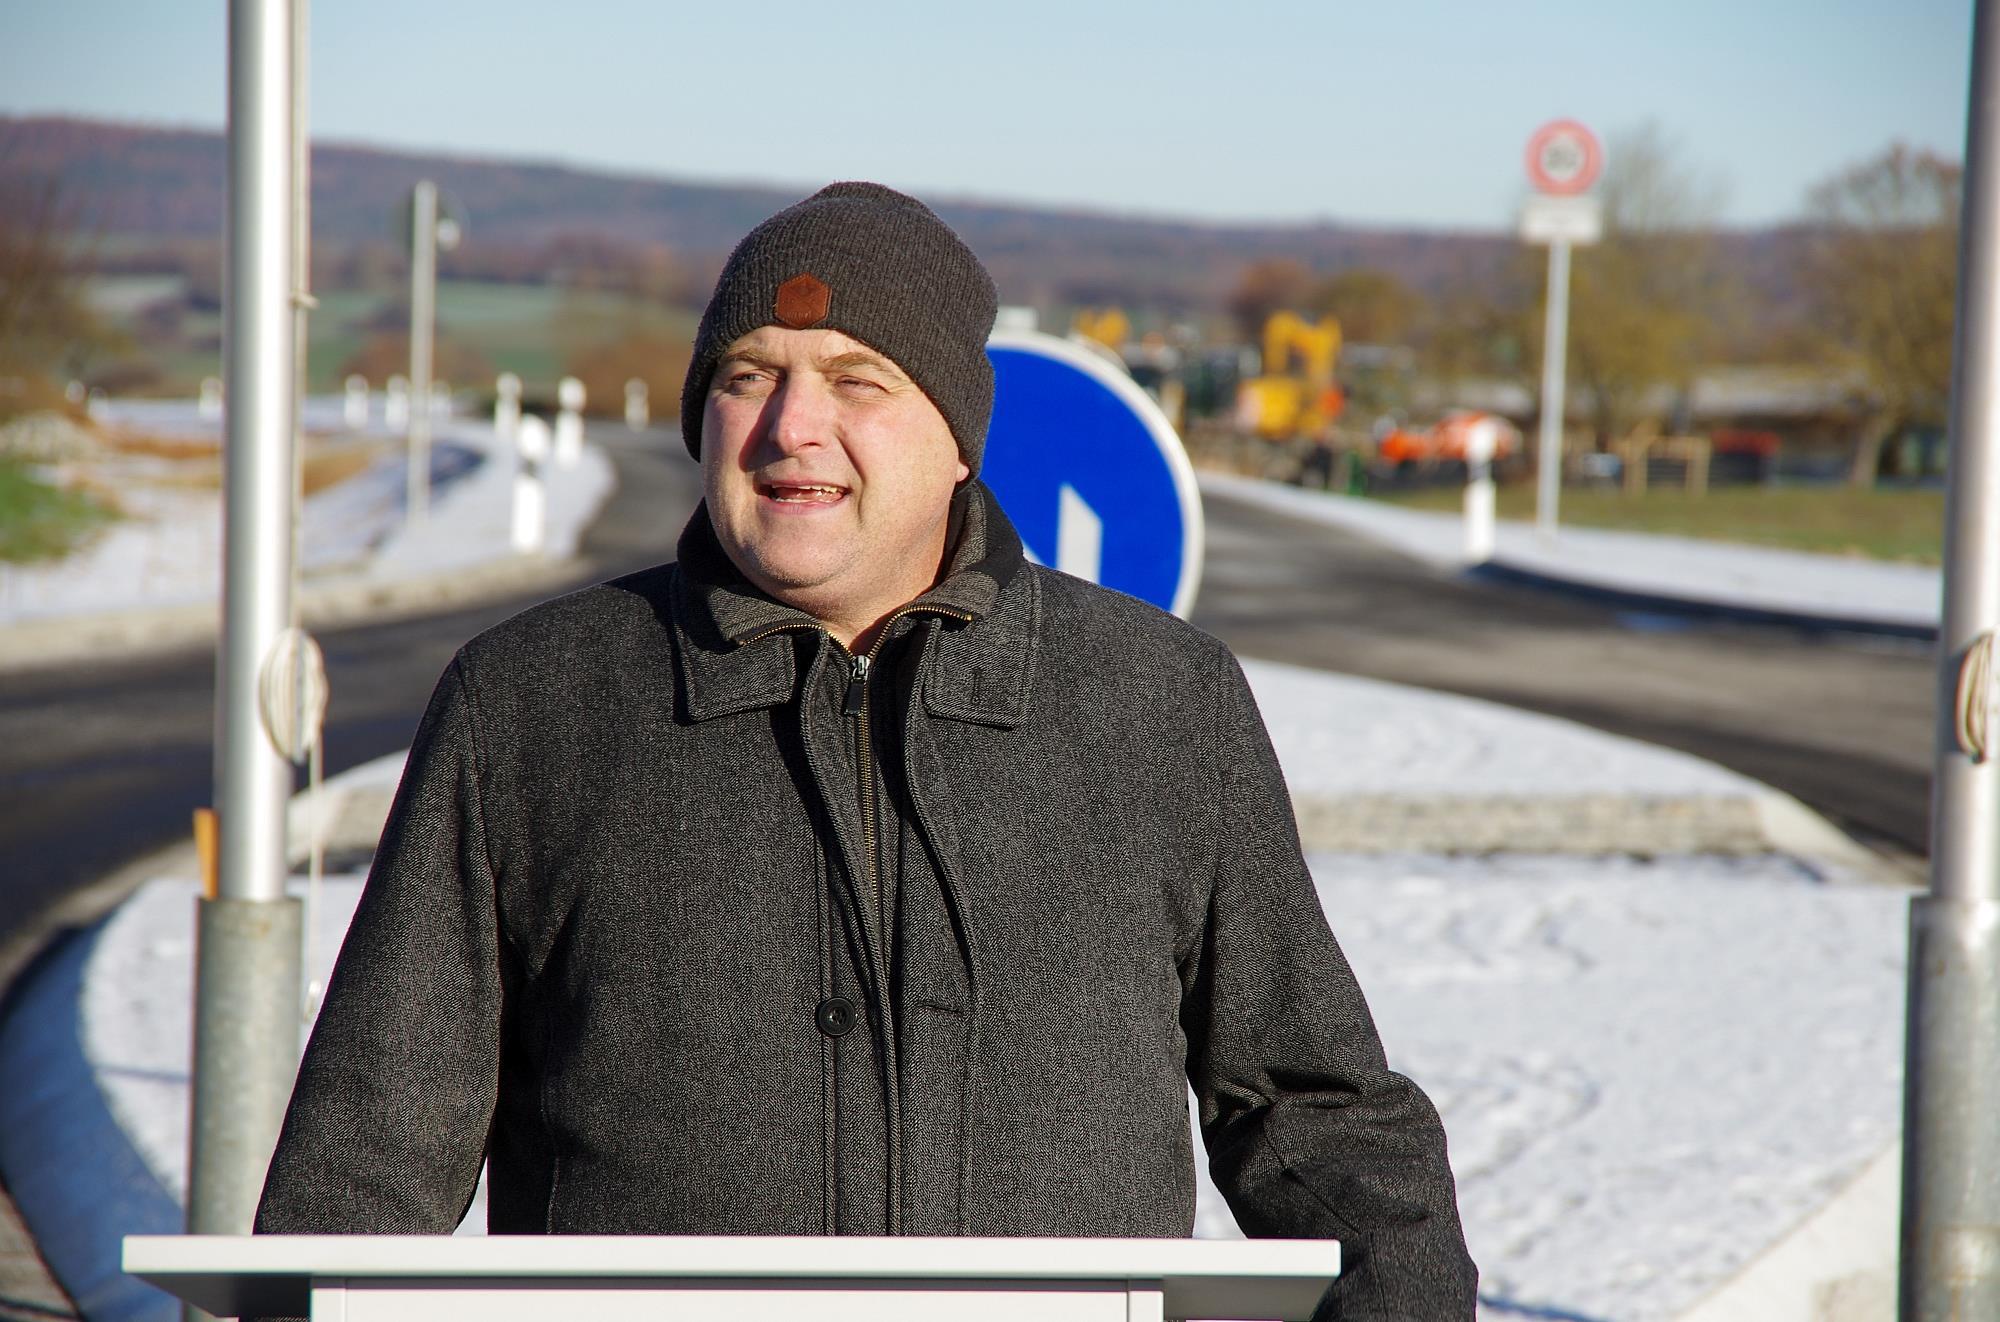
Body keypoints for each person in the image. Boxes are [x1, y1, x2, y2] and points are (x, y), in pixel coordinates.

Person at [256, 182, 1477, 1318]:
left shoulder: (1160, 702)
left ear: (954, 436)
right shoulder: (531, 704)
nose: (793, 426)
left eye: (855, 380)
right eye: (748, 375)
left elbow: (1314, 1118)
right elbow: (368, 1160)